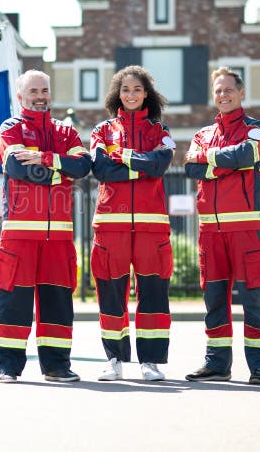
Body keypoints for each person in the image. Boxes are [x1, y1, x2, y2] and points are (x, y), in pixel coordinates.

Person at [0, 69, 91, 383]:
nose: (40, 96)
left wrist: (47, 159)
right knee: (13, 302)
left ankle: (57, 366)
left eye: (44, 90)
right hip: (19, 234)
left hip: (58, 237)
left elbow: (83, 165)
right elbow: (17, 168)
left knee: (58, 304)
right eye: (33, 91)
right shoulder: (10, 128)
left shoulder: (66, 131)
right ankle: (7, 365)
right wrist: (61, 170)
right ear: (20, 96)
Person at [183, 66, 260, 384]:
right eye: (218, 90)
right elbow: (191, 169)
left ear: (241, 92)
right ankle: (217, 364)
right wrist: (224, 162)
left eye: (229, 89)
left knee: (253, 300)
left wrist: (209, 159)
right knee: (214, 301)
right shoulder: (202, 134)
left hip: (247, 232)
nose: (223, 95)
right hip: (211, 234)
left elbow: (246, 154)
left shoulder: (257, 129)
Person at [90, 65, 175, 381]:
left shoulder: (159, 131)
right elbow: (101, 170)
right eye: (125, 89)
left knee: (153, 294)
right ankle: (114, 359)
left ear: (146, 93)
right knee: (111, 294)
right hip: (111, 225)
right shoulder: (102, 131)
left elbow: (160, 165)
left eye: (137, 89)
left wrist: (122, 155)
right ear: (117, 94)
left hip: (151, 229)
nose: (131, 95)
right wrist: (142, 163)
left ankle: (150, 362)